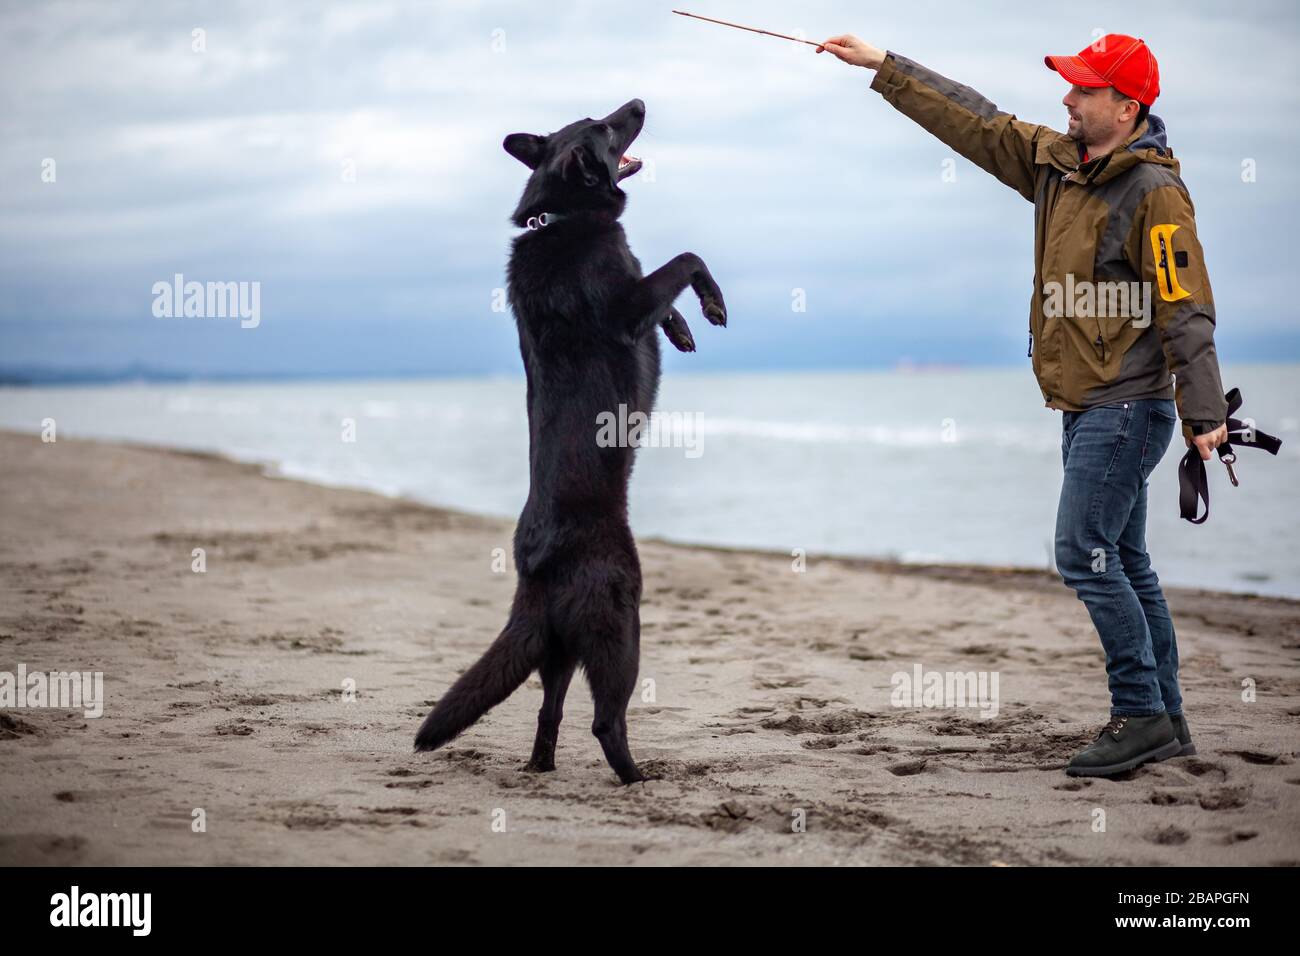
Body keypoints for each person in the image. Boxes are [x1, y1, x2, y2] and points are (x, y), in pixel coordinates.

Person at [817, 32, 1229, 776]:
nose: (1066, 99)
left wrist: (1204, 415)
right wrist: (883, 66)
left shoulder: (1154, 193)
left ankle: (1139, 714)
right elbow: (975, 120)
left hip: (1127, 407)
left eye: (1083, 89)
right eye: (1068, 86)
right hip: (1085, 405)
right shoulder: (1057, 164)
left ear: (1126, 107)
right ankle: (1165, 719)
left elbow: (1185, 306)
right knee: (1124, 558)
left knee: (1082, 553)